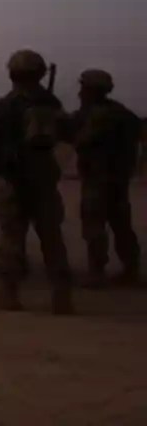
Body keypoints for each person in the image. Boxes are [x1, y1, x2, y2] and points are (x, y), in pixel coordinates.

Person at [0, 49, 74, 314]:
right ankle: (62, 297)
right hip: (44, 178)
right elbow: (66, 138)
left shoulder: (5, 105)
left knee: (12, 237)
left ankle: (8, 293)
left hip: (13, 179)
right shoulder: (52, 103)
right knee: (52, 238)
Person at [70, 68, 141, 288]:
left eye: (84, 88)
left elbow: (82, 140)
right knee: (121, 224)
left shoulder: (98, 115)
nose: (80, 93)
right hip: (118, 178)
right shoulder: (122, 113)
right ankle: (131, 269)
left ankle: (97, 272)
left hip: (99, 178)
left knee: (94, 225)